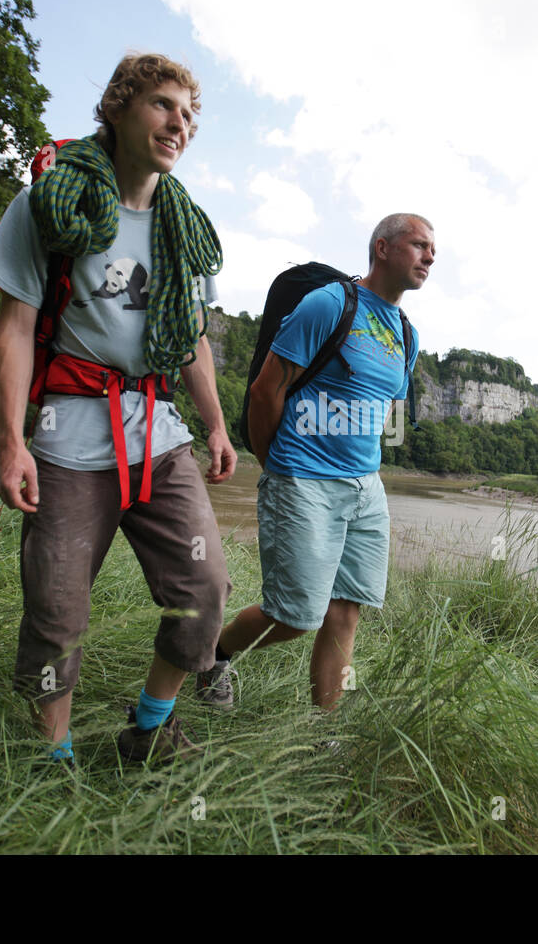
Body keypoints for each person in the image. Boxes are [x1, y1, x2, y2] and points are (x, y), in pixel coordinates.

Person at [0, 53, 235, 767]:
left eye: (189, 113)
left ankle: (149, 726)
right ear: (118, 107)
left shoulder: (185, 228)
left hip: (159, 434)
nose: (178, 123)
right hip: (68, 435)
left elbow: (191, 339)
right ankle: (51, 760)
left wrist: (214, 425)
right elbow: (16, 327)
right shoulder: (51, 202)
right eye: (161, 104)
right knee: (56, 608)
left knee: (205, 585)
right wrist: (11, 443)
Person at [198, 214, 433, 711]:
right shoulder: (329, 305)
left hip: (366, 488)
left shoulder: (407, 335)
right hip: (303, 480)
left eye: (433, 249)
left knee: (346, 612)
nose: (430, 256)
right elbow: (266, 391)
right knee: (294, 616)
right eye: (419, 245)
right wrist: (277, 465)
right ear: (383, 248)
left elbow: (381, 414)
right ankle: (212, 654)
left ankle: (323, 732)